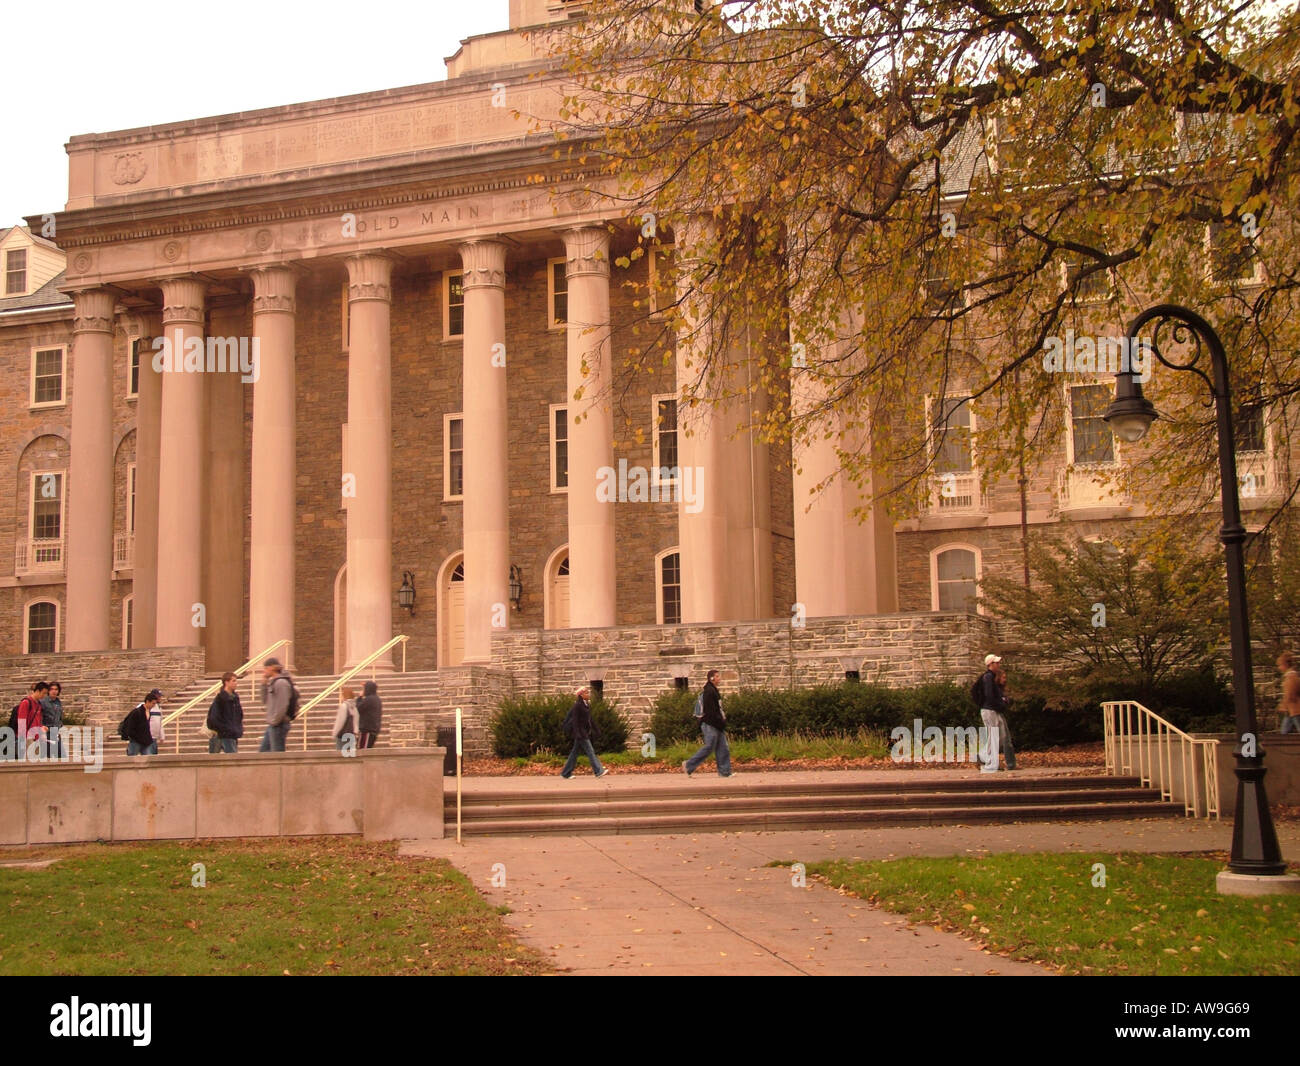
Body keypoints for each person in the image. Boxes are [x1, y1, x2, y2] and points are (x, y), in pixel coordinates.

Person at [684, 669, 732, 777]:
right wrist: (719, 722)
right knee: (709, 747)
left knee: (723, 747)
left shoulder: (713, 690)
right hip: (710, 724)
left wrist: (721, 722)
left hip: (716, 724)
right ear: (712, 678)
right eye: (717, 676)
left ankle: (725, 772)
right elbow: (710, 711)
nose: (719, 678)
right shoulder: (709, 692)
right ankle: (689, 765)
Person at [977, 654, 1016, 771]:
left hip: (993, 710)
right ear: (990, 664)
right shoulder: (988, 677)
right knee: (994, 737)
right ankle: (985, 758)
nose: (998, 665)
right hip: (990, 710)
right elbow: (990, 695)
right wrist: (1000, 704)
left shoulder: (991, 677)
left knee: (1000, 736)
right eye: (996, 663)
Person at [561, 686, 609, 779]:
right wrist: (577, 733)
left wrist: (596, 729)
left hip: (583, 733)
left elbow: (589, 719)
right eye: (586, 693)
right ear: (581, 695)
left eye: (588, 692)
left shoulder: (586, 704)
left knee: (574, 753)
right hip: (581, 733)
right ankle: (598, 771)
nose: (588, 694)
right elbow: (575, 721)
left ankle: (566, 773)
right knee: (590, 751)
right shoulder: (577, 705)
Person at [259, 658, 294, 752]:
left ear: (271, 668)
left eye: (265, 668)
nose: (264, 671)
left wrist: (275, 721)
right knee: (263, 753)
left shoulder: (281, 683)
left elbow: (282, 705)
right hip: (273, 724)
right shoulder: (273, 682)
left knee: (277, 755)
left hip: (279, 724)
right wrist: (263, 685)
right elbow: (264, 700)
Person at [8, 681, 47, 760]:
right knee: (28, 763)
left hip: (36, 737)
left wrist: (42, 728)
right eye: (43, 693)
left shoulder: (39, 704)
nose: (44, 696)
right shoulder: (26, 702)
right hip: (27, 738)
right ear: (37, 691)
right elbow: (21, 723)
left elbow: (37, 721)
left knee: (37, 762)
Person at [206, 671, 244, 753]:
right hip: (223, 734)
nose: (236, 683)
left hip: (231, 734)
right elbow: (213, 718)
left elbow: (239, 715)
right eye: (233, 681)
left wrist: (237, 729)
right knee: (228, 760)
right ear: (226, 682)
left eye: (236, 680)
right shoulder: (220, 699)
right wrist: (225, 729)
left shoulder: (235, 698)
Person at [123, 690, 163, 756]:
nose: (153, 706)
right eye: (153, 703)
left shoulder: (149, 712)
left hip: (146, 740)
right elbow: (130, 727)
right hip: (136, 740)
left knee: (148, 757)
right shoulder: (137, 712)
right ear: (147, 702)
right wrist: (135, 737)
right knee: (132, 758)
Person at [356, 680, 382, 749]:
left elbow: (358, 708)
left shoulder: (369, 699)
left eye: (364, 688)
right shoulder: (377, 699)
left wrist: (360, 697)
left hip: (367, 730)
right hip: (373, 730)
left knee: (362, 751)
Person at [42, 681, 64, 758]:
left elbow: (60, 716)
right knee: (48, 755)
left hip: (56, 732)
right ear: (48, 690)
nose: (54, 691)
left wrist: (60, 726)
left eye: (56, 689)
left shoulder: (58, 702)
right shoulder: (43, 702)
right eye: (51, 689)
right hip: (46, 732)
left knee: (61, 755)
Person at [1279, 652, 1300, 733]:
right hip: (1291, 709)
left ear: (1285, 665)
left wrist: (1284, 705)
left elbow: (1290, 693)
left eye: (1280, 665)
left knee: (1285, 731)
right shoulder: (1291, 676)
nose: (1279, 668)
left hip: (1295, 709)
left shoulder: (1291, 677)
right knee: (1284, 731)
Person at [333, 686, 359, 751]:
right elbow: (356, 722)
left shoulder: (344, 706)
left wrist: (335, 733)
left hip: (342, 735)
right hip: (351, 735)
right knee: (350, 756)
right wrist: (355, 732)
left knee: (341, 757)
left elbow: (340, 722)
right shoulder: (354, 707)